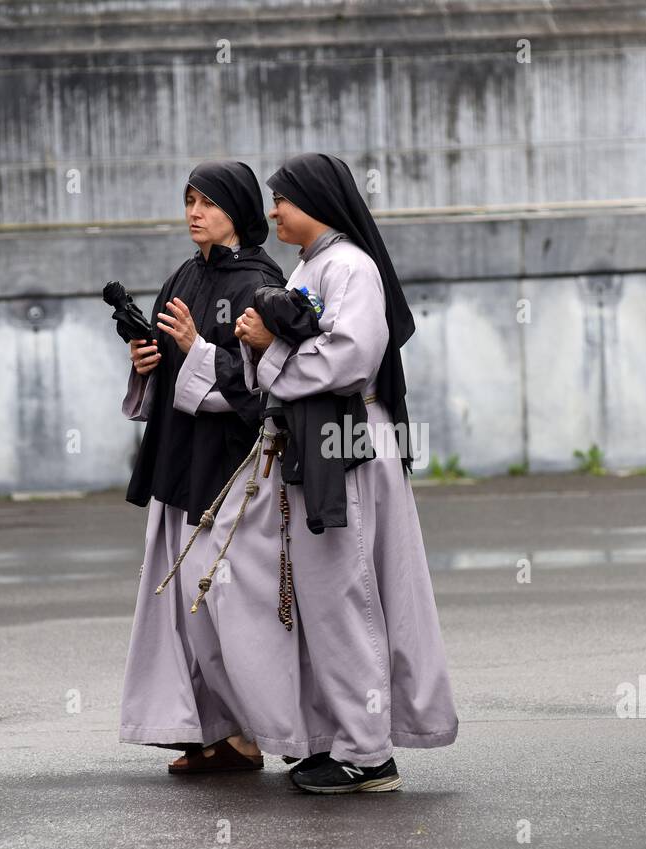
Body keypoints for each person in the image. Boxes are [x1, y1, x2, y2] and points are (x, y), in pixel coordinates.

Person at [186, 152, 459, 794]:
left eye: (283, 198)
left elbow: (351, 359)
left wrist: (268, 347)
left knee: (345, 595)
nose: (273, 209)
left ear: (317, 202)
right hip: (317, 439)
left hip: (345, 441)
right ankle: (339, 739)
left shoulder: (351, 266)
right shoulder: (312, 265)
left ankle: (368, 756)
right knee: (320, 599)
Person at [118, 160, 285, 774]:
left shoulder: (261, 282)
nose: (194, 212)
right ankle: (208, 730)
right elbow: (170, 375)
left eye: (207, 203)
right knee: (178, 604)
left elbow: (266, 387)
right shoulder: (182, 276)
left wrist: (194, 350)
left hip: (229, 469)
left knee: (225, 604)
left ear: (238, 211)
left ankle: (250, 729)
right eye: (188, 200)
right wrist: (147, 362)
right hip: (177, 460)